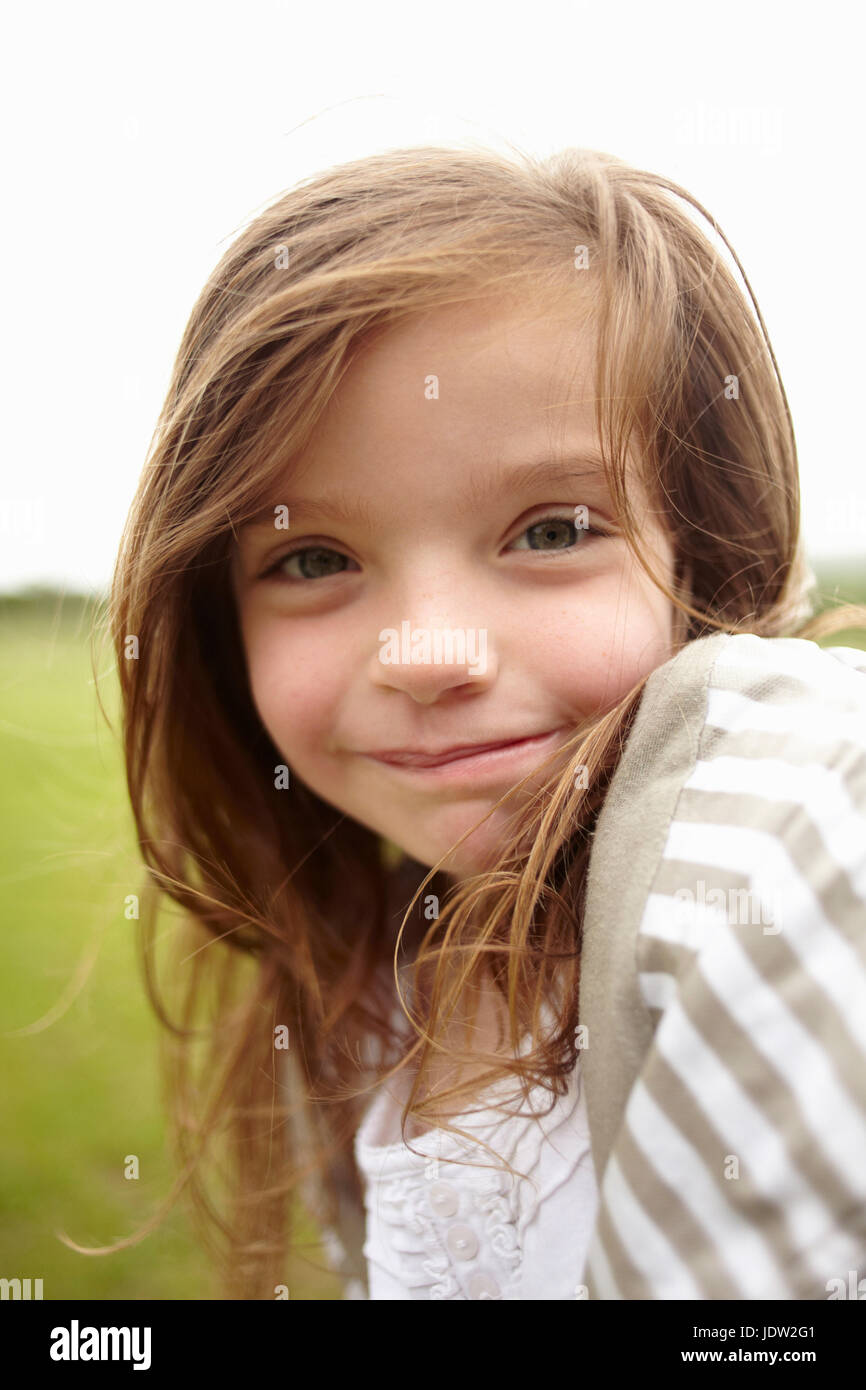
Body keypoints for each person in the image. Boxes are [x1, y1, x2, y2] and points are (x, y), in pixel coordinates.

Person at [98, 143, 866, 1299]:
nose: (428, 655)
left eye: (551, 531)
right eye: (313, 557)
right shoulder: (374, 988)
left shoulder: (759, 822)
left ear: (697, 559)